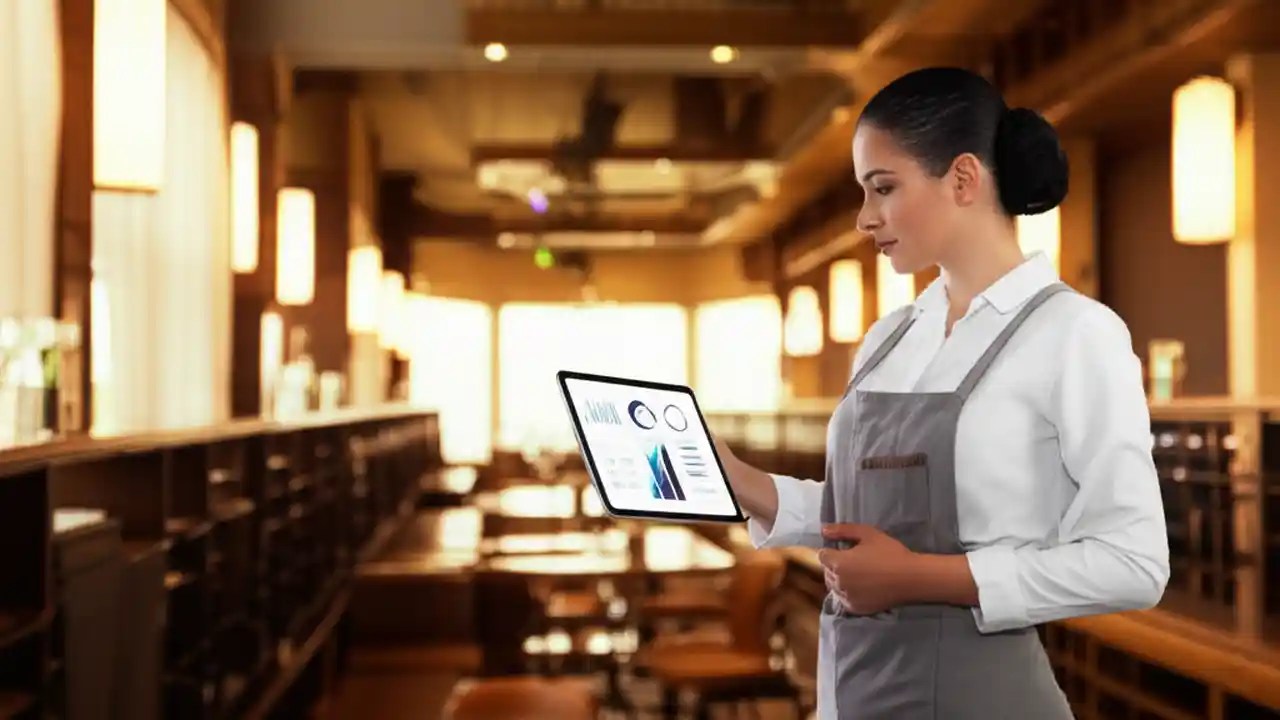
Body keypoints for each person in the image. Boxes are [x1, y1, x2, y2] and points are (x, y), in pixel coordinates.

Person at [712, 67, 1170, 719]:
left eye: (883, 188)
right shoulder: (890, 338)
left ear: (962, 179)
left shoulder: (1074, 333)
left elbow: (1134, 562)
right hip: (856, 693)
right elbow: (867, 518)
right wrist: (736, 480)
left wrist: (920, 578)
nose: (865, 218)